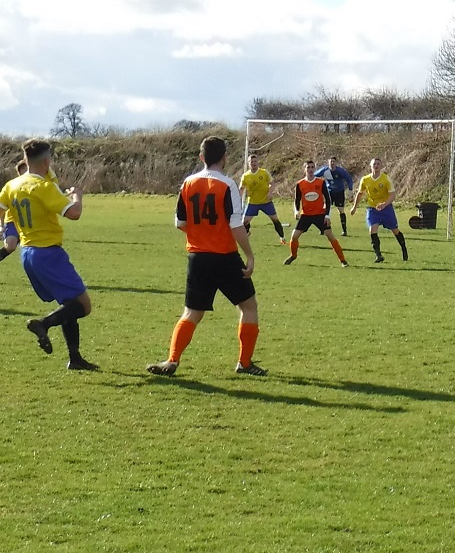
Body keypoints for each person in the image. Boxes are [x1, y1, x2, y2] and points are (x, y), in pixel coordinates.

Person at [0, 140, 96, 371]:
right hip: (49, 254)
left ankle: (75, 358)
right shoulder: (44, 187)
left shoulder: (12, 185)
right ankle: (43, 324)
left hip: (27, 254)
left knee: (67, 303)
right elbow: (74, 214)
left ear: (24, 161)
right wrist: (78, 197)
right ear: (47, 161)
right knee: (83, 306)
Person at [147, 136, 265, 377]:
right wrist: (250, 255)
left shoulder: (188, 183)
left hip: (198, 258)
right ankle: (244, 363)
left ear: (201, 158)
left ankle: (171, 360)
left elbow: (180, 223)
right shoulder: (228, 185)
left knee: (191, 312)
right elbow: (236, 226)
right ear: (225, 157)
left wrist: (201, 234)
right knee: (248, 306)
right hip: (225, 256)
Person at [284, 159, 349, 267]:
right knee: (294, 237)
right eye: (308, 167)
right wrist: (296, 211)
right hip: (306, 215)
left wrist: (327, 215)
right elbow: (296, 200)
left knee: (330, 236)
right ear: (304, 169)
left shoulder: (321, 182)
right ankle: (293, 255)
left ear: (315, 169)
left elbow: (328, 200)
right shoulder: (300, 184)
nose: (310, 169)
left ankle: (343, 260)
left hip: (320, 215)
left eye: (312, 167)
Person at [349, 157, 407, 263]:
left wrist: (384, 204)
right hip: (373, 209)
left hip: (386, 208)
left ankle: (404, 249)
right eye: (374, 164)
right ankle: (378, 255)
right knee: (372, 229)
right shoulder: (365, 179)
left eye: (378, 164)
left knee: (395, 230)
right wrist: (354, 207)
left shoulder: (385, 179)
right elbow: (360, 193)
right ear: (370, 166)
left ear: (381, 166)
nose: (376, 166)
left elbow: (392, 195)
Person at [239, 153, 286, 243]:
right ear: (249, 164)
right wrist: (238, 199)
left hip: (266, 202)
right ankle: (247, 233)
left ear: (258, 162)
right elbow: (241, 189)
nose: (254, 163)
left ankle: (282, 237)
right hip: (252, 202)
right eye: (251, 161)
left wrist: (270, 192)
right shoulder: (245, 176)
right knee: (244, 222)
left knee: (275, 220)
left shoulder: (264, 172)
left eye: (255, 161)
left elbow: (272, 183)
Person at [315, 155, 356, 235]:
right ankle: (323, 228)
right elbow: (315, 175)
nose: (332, 163)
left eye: (334, 161)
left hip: (339, 192)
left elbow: (349, 179)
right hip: (329, 192)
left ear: (336, 163)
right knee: (325, 209)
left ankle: (344, 230)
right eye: (331, 161)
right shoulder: (325, 170)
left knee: (341, 210)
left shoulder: (340, 171)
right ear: (328, 162)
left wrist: (350, 189)